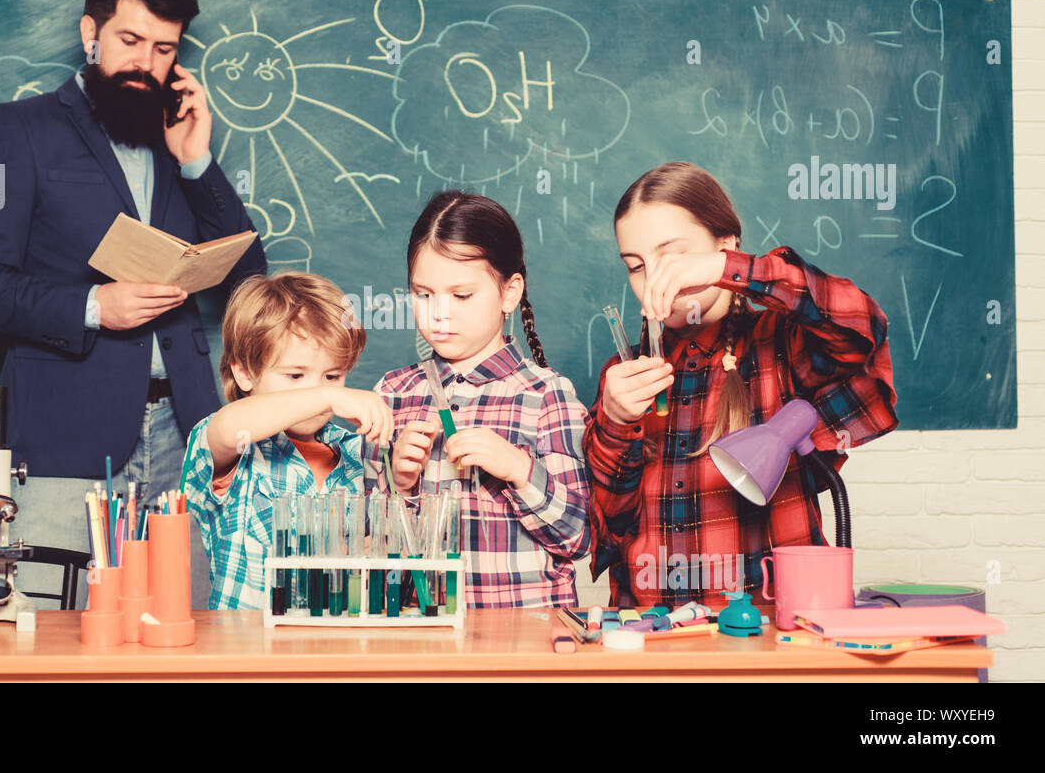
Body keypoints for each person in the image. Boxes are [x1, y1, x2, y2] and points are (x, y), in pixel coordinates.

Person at [0, 0, 266, 608]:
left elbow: (250, 286)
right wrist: (94, 305)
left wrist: (199, 162)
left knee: (184, 635)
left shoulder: (175, 139)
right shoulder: (19, 130)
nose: (144, 64)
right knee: (57, 634)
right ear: (91, 32)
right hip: (67, 431)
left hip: (184, 434)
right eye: (129, 41)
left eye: (163, 49)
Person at [585, 161, 899, 608]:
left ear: (725, 244)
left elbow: (861, 325)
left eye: (673, 255)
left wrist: (729, 270)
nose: (655, 278)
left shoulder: (781, 344)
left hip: (770, 641)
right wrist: (614, 422)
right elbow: (609, 521)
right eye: (636, 266)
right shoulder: (627, 374)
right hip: (649, 642)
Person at [367, 190, 591, 608]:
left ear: (510, 293)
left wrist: (519, 469)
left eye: (461, 295)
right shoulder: (392, 395)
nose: (439, 314)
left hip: (525, 648)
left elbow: (576, 537)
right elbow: (360, 542)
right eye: (423, 294)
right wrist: (396, 484)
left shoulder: (545, 395)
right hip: (420, 641)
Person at [183, 272, 392, 609]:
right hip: (248, 655)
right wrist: (326, 395)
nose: (318, 390)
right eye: (295, 375)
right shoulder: (238, 448)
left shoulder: (357, 453)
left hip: (337, 651)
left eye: (332, 376)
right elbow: (228, 425)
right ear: (245, 373)